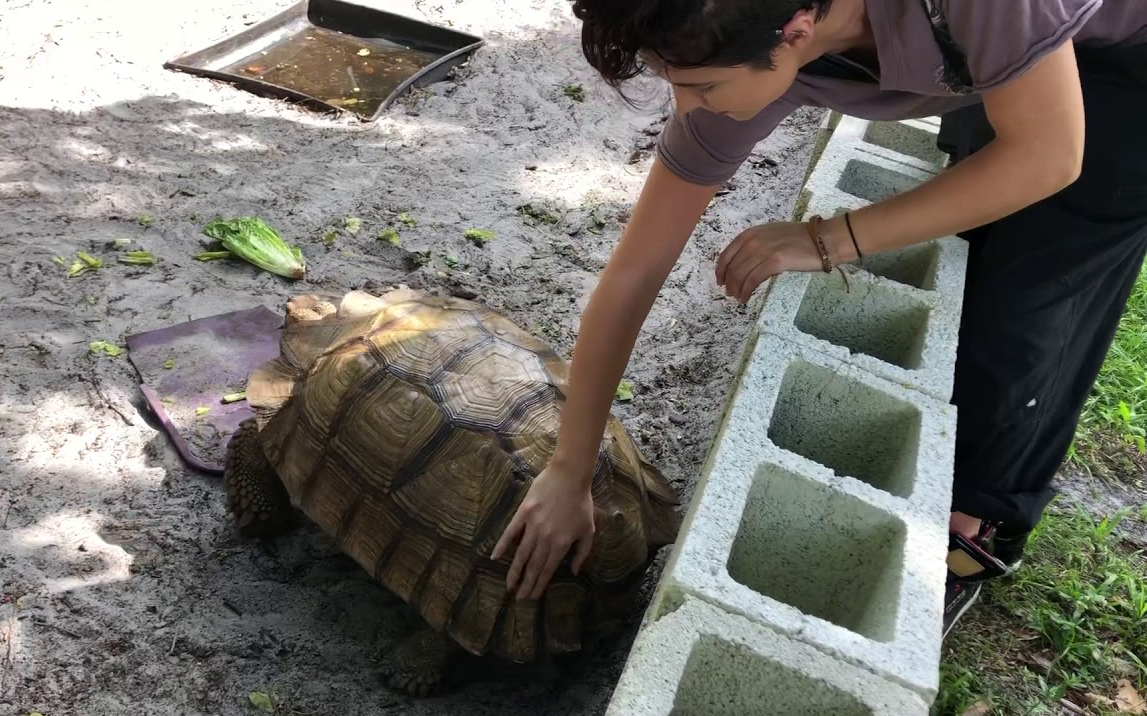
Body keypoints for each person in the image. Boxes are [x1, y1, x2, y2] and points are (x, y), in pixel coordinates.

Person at [489, 0, 1147, 638]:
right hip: (1026, 43)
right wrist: (569, 468)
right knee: (979, 187)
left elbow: (1050, 155)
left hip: (1132, 54)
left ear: (798, 30)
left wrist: (832, 238)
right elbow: (635, 270)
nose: (687, 108)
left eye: (702, 87)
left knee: (1029, 295)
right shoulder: (738, 35)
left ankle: (979, 523)